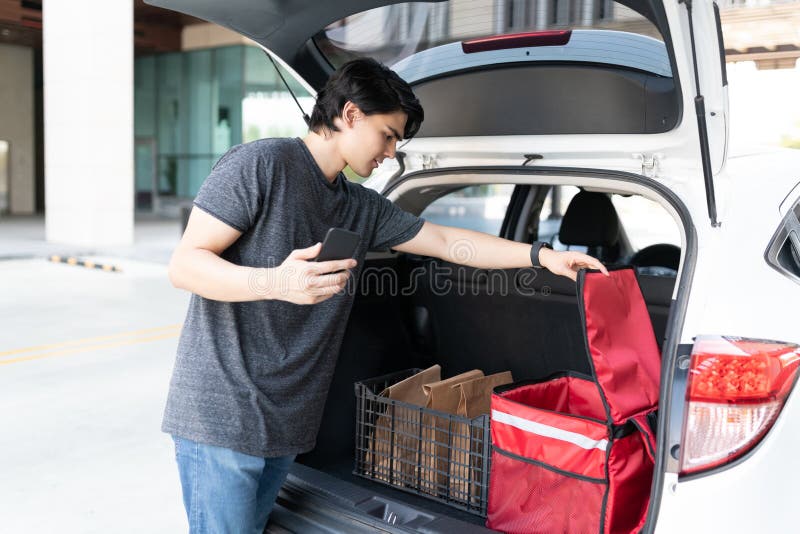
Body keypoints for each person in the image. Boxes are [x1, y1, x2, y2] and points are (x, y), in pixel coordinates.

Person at [164, 57, 607, 533]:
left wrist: (541, 256)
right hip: (225, 414)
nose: (392, 153)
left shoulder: (360, 206)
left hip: (287, 421)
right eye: (388, 135)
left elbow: (443, 242)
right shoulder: (262, 164)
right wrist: (275, 282)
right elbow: (185, 265)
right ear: (351, 114)